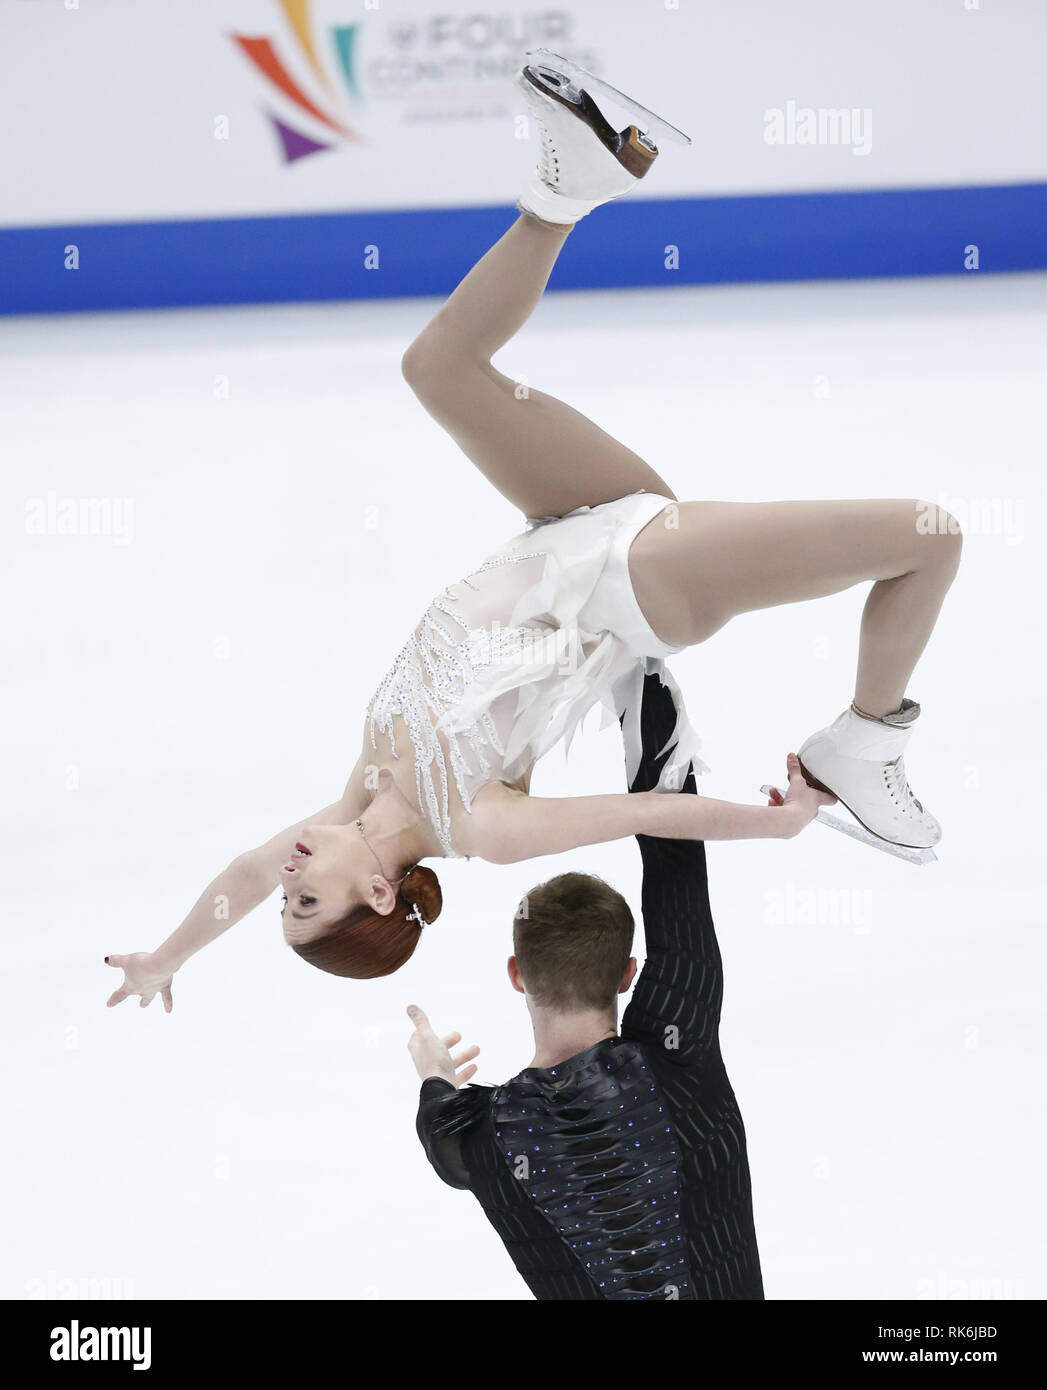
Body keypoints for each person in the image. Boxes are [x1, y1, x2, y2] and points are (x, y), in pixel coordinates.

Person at [104, 52, 960, 1009]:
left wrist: (168, 956)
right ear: (380, 891)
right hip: (640, 579)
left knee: (437, 367)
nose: (289, 876)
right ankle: (867, 745)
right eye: (308, 899)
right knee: (930, 535)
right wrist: (779, 824)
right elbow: (644, 812)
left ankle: (573, 180)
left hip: (568, 516)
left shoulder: (364, 787)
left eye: (286, 897)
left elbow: (241, 872)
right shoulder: (482, 828)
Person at [409, 670, 764, 1300]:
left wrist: (435, 1075)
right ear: (630, 973)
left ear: (517, 976)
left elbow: (441, 1137)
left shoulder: (480, 1135)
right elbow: (675, 863)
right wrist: (639, 671)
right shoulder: (677, 1054)